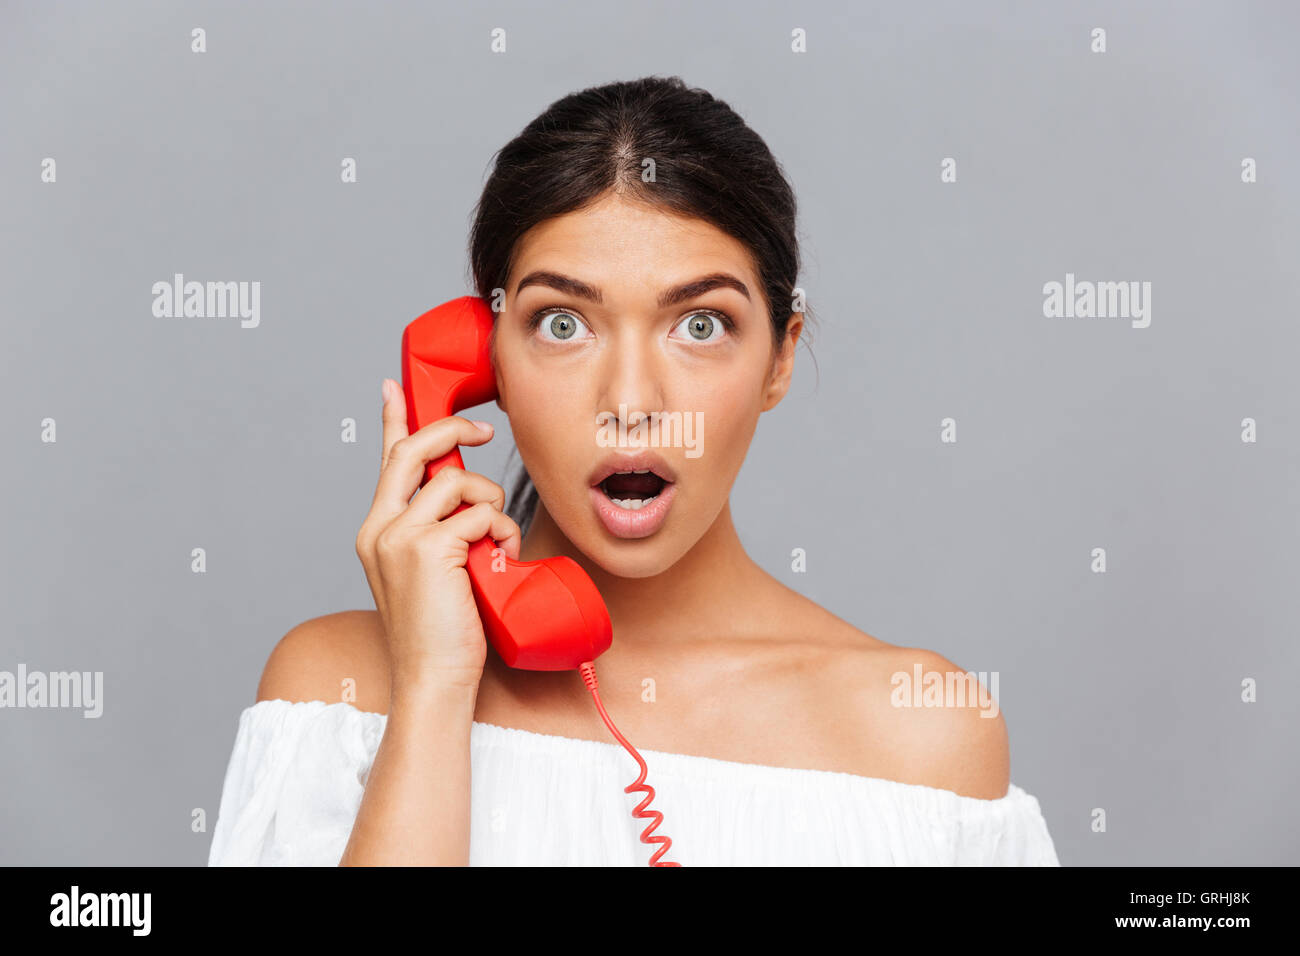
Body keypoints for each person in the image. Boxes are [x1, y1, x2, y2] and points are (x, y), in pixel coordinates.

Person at [207, 75, 1060, 866]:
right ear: (484, 354)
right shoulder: (338, 692)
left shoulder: (923, 736)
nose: (631, 401)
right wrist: (433, 692)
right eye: (563, 325)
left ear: (779, 360)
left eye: (699, 326)